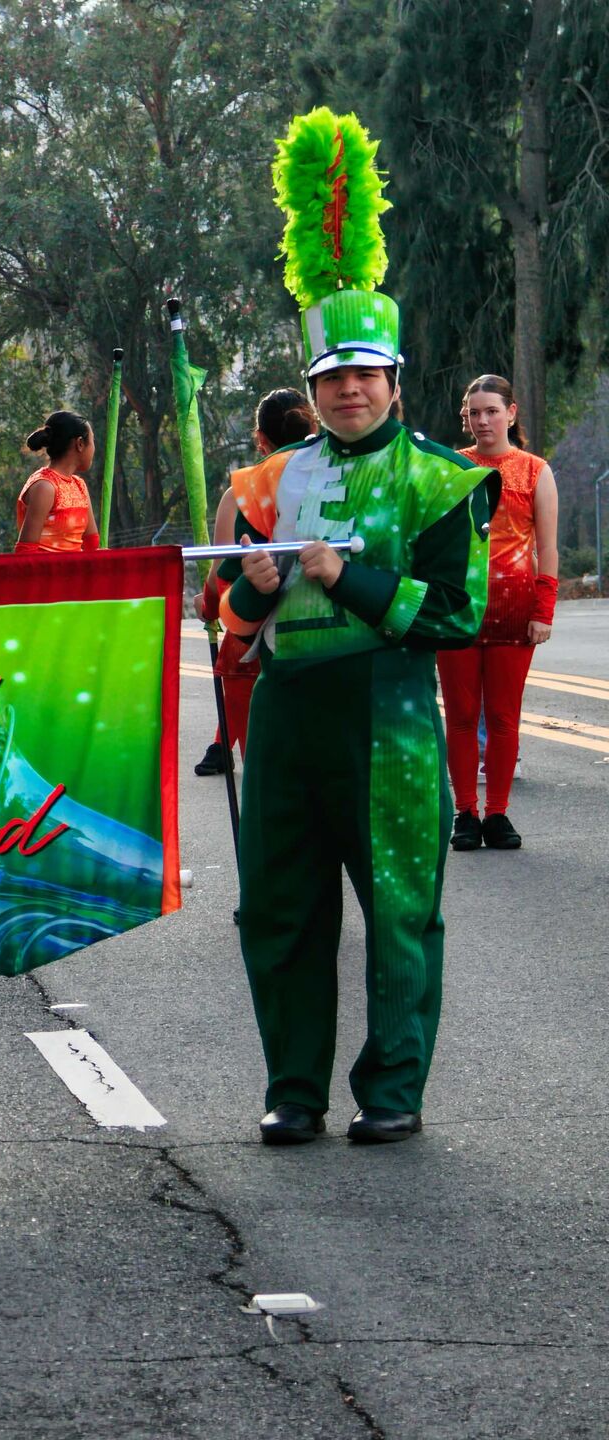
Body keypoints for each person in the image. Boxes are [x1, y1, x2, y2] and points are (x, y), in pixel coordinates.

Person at [218, 106, 497, 1149]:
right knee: (280, 914)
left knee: (399, 920)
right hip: (287, 715)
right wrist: (251, 590)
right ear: (311, 387)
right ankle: (293, 1089)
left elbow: (455, 616)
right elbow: (230, 621)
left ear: (393, 378)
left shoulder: (439, 480)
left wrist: (351, 577)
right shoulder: (268, 479)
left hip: (390, 721)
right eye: (331, 378)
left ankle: (393, 1091)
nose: (348, 391)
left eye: (365, 375)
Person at [440, 374, 560, 851]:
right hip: (459, 610)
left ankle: (498, 814)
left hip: (515, 611)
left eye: (492, 410)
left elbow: (548, 547)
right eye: (474, 412)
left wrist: (543, 609)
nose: (483, 420)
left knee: (505, 717)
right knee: (462, 716)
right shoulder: (452, 467)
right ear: (465, 419)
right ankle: (465, 812)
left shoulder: (535, 470)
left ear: (511, 413)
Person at [194, 389, 315, 777]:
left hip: (253, 640)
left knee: (264, 772)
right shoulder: (334, 482)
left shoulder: (240, 493)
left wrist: (207, 607)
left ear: (260, 438)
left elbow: (219, 577)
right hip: (323, 633)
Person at [14, 412, 97, 554]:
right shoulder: (45, 487)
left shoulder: (80, 485)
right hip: (47, 575)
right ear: (80, 444)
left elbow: (92, 544)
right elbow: (26, 553)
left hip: (75, 575)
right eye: (93, 441)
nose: (94, 449)